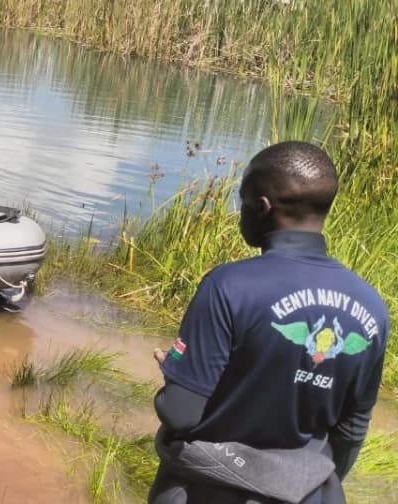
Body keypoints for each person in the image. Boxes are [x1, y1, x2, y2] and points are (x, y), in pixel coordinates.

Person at [149, 141, 389, 504]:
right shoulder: (372, 306)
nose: (239, 212)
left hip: (211, 491)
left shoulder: (227, 286)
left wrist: (174, 376)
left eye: (243, 201)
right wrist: (302, 481)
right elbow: (351, 431)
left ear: (262, 207)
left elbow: (181, 414)